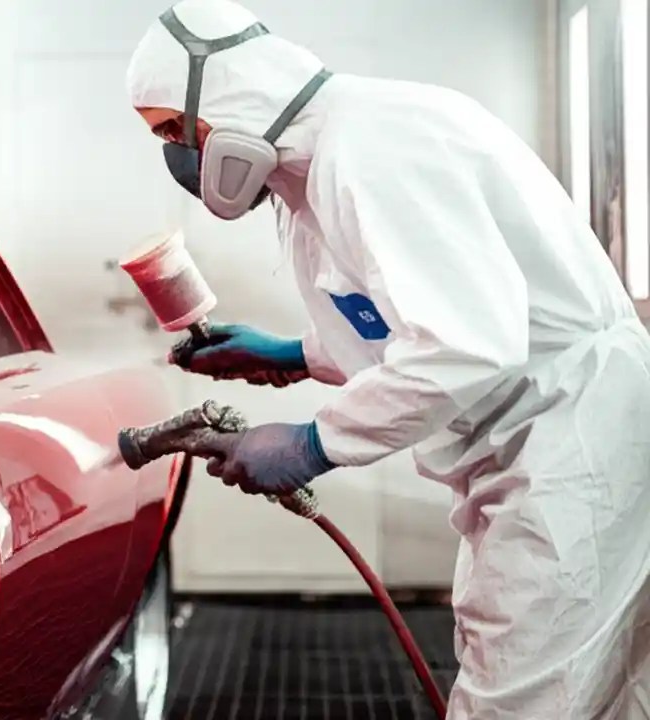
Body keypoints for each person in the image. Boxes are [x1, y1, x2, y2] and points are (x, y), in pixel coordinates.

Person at [126, 1, 650, 717]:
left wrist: (317, 442)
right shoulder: (310, 171)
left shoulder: (375, 146)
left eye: (169, 129)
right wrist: (297, 356)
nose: (175, 155)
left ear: (218, 94)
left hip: (570, 444)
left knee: (519, 698)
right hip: (527, 447)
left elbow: (466, 343)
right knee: (593, 689)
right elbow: (412, 321)